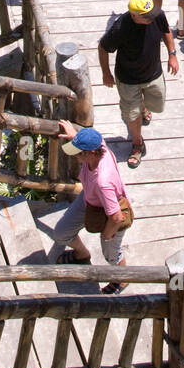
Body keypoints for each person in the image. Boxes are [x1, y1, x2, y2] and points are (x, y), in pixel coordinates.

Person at [39, 122, 133, 294]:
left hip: (108, 212)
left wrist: (106, 235)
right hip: (89, 199)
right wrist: (74, 135)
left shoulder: (103, 181)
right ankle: (82, 254)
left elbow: (116, 217)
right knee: (61, 232)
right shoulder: (99, 146)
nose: (75, 157)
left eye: (78, 153)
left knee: (111, 254)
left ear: (90, 153)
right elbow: (93, 139)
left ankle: (122, 278)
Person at [99, 0, 178, 167]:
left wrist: (172, 54)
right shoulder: (121, 27)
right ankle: (137, 144)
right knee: (132, 115)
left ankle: (143, 107)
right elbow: (103, 47)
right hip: (128, 79)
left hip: (153, 74)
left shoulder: (156, 15)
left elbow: (166, 30)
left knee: (157, 105)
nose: (152, 17)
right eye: (146, 16)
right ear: (134, 15)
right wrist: (106, 73)